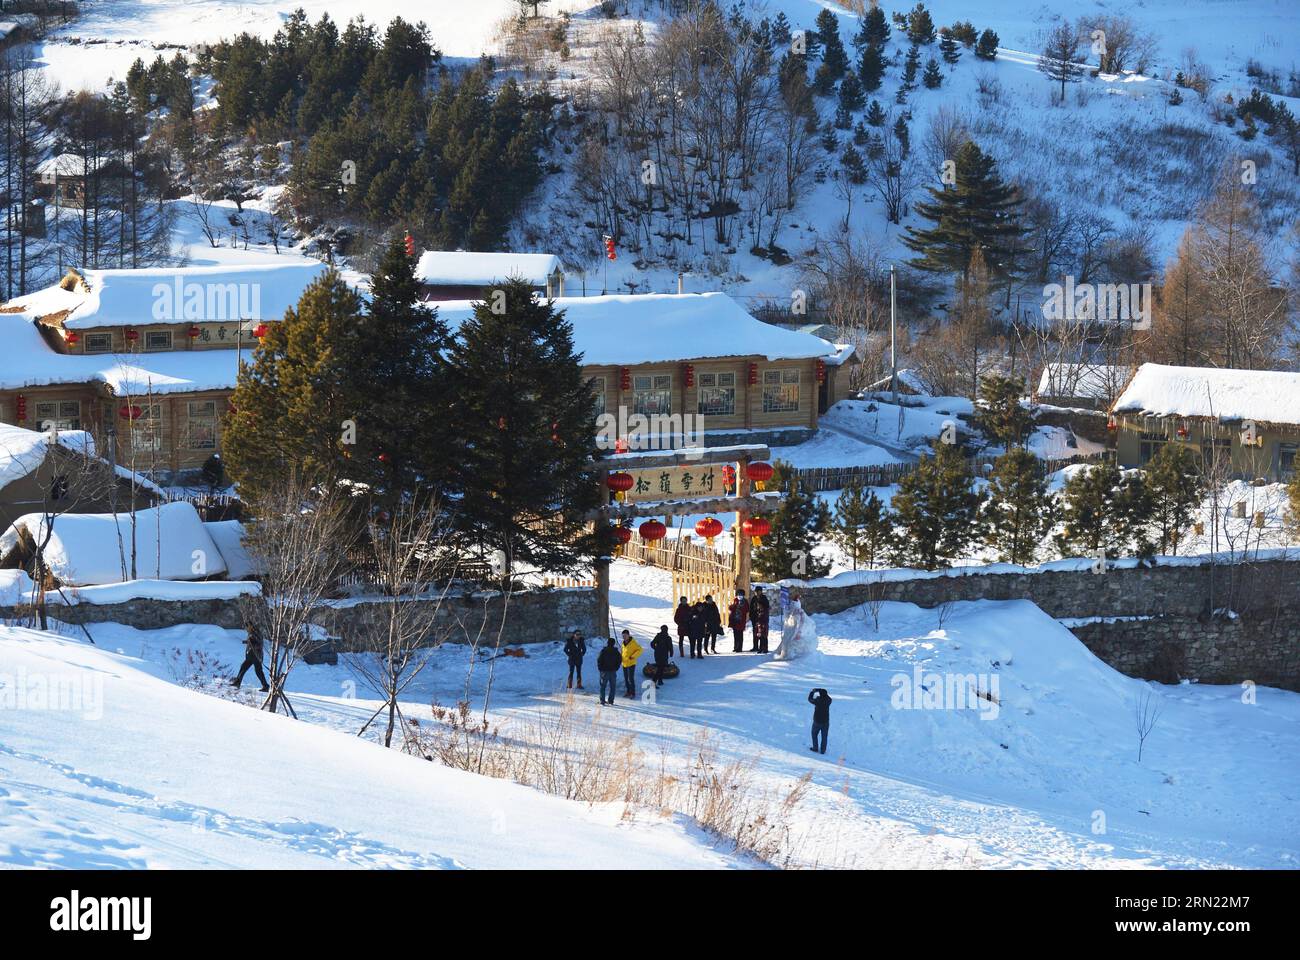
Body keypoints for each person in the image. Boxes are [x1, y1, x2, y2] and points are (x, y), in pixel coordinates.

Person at [233, 624, 269, 691]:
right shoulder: (251, 633)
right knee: (243, 667)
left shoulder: (257, 633)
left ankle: (266, 686)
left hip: (256, 656)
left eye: (247, 627)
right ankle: (237, 682)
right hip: (250, 656)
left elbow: (259, 644)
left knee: (258, 671)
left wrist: (251, 643)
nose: (246, 629)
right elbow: (252, 641)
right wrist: (247, 642)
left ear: (251, 626)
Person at [597, 638, 622, 705]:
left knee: (603, 686)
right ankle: (611, 701)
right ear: (614, 644)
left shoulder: (603, 651)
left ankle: (602, 701)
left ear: (607, 643)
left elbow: (599, 660)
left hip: (604, 671)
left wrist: (600, 669)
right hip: (613, 671)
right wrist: (616, 668)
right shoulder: (616, 652)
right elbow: (620, 660)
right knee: (612, 687)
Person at [619, 629, 643, 698]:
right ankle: (628, 691)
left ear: (629, 635)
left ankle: (633, 693)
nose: (624, 637)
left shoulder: (633, 643)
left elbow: (640, 650)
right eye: (623, 636)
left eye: (625, 636)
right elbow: (622, 652)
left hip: (631, 663)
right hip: (624, 664)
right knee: (626, 679)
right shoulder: (623, 643)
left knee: (630, 679)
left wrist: (633, 656)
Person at [808, 687, 832, 754]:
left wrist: (812, 692)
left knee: (814, 734)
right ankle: (823, 750)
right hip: (826, 722)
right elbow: (827, 696)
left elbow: (810, 699)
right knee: (824, 736)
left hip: (817, 721)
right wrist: (821, 691)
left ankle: (815, 748)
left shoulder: (817, 700)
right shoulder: (829, 700)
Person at [750, 586, 771, 653]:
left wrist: (760, 602)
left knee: (763, 633)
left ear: (761, 591)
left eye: (758, 591)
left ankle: (764, 648)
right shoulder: (754, 598)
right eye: (756, 591)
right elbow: (751, 608)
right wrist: (752, 617)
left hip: (763, 619)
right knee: (756, 633)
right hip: (755, 619)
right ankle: (756, 647)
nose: (757, 593)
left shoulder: (764, 598)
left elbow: (766, 607)